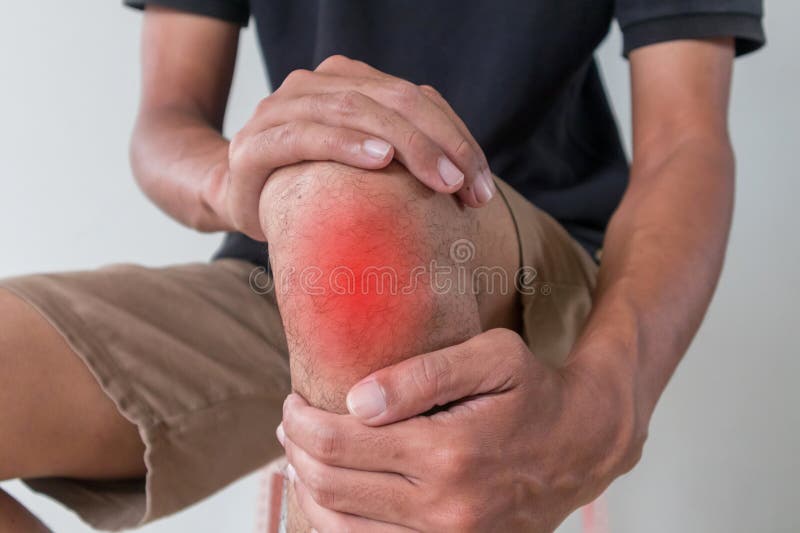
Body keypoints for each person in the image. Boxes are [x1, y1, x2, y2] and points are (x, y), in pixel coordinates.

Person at [0, 1, 765, 532]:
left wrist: (608, 407)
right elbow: (166, 121)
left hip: (531, 258)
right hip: (280, 265)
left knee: (358, 207)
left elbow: (685, 143)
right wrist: (234, 180)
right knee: (339, 211)